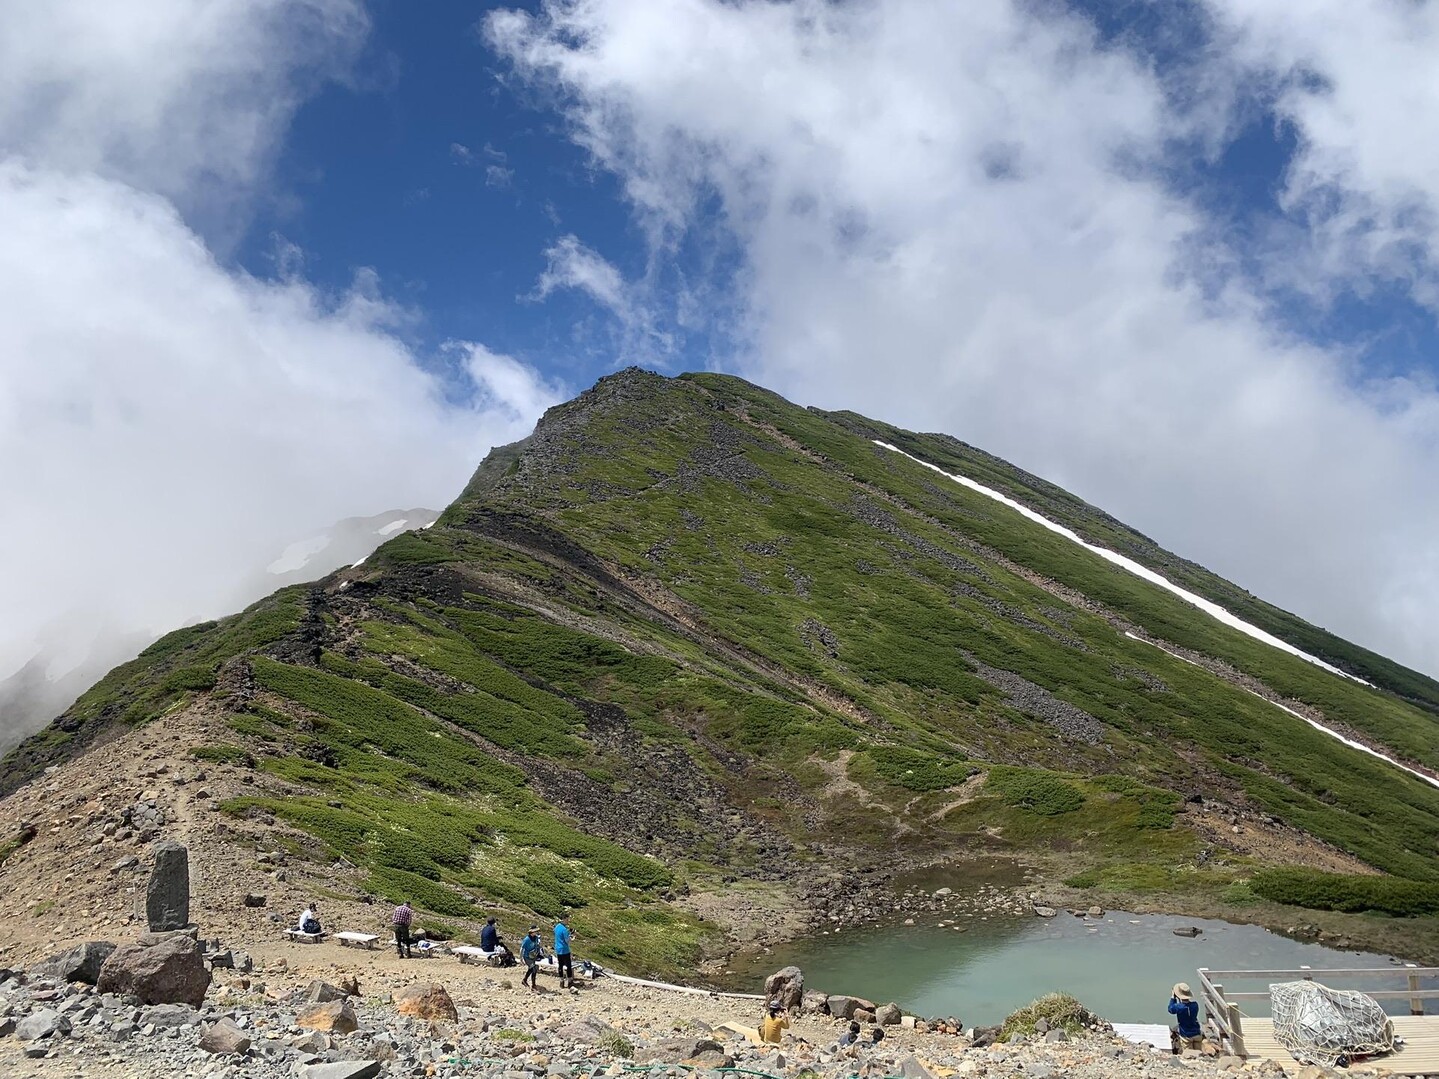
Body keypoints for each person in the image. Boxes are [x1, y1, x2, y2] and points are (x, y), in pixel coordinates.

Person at [1169, 982, 1204, 1052]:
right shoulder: (1195, 1005)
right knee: (1199, 1053)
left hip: (1186, 1035)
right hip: (1197, 1033)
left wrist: (1173, 998)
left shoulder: (1179, 1007)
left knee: (1189, 1055)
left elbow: (1171, 1009)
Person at [520, 926, 544, 991]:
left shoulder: (536, 938)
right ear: (532, 932)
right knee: (533, 968)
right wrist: (521, 958)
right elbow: (522, 948)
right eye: (535, 931)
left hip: (533, 956)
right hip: (527, 957)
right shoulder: (526, 939)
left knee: (532, 969)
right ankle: (533, 985)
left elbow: (537, 945)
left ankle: (525, 980)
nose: (537, 932)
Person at [553, 917, 574, 988]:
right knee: (568, 966)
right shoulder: (564, 929)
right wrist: (571, 938)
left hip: (558, 949)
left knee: (560, 965)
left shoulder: (556, 927)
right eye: (567, 920)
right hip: (565, 950)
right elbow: (567, 940)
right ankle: (570, 981)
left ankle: (561, 981)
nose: (568, 921)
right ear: (563, 920)